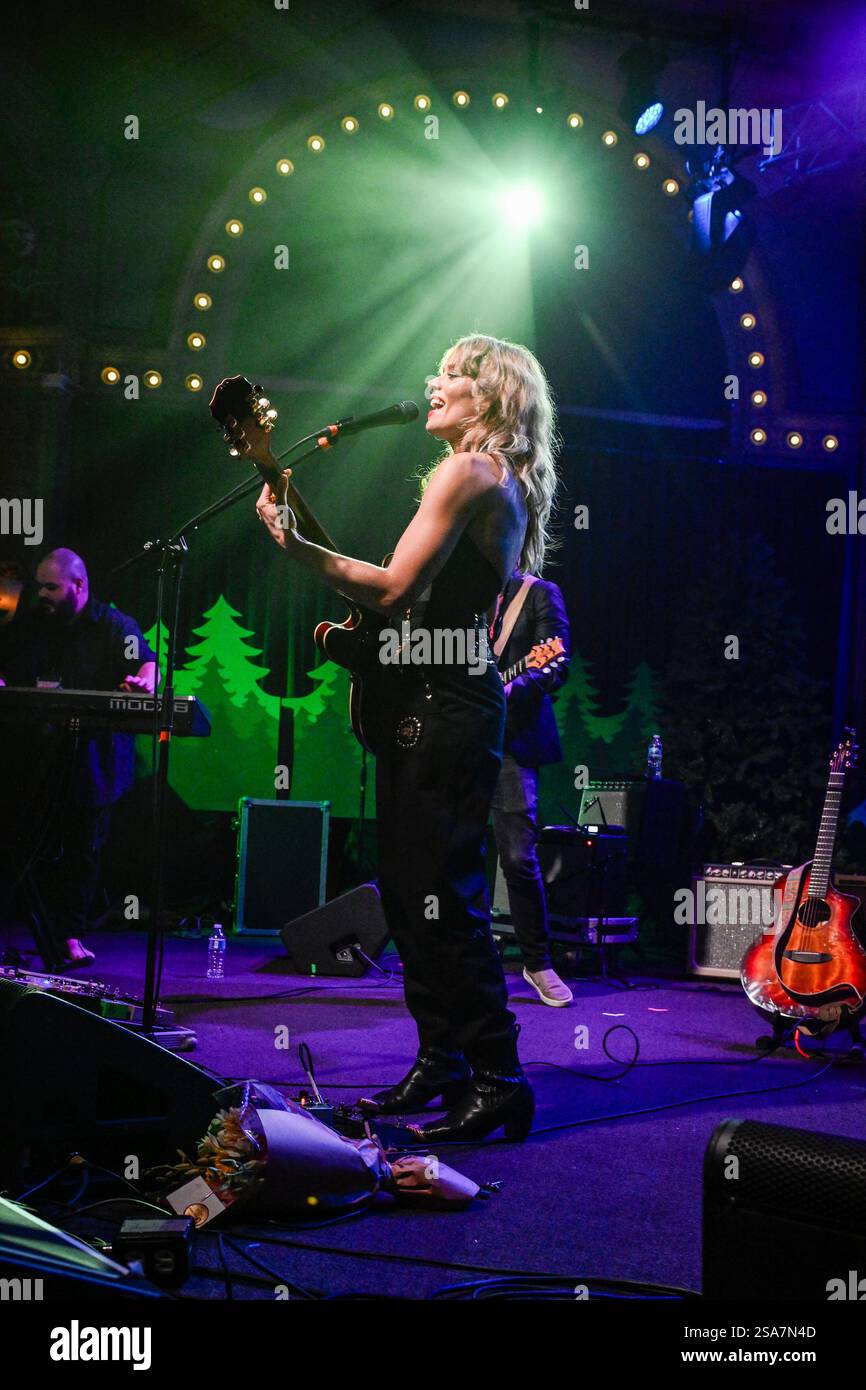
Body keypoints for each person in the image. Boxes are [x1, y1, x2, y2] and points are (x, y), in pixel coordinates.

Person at [249, 335, 559, 1143]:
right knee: (411, 893)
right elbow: (403, 616)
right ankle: (443, 1061)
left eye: (452, 374)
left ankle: (498, 1076)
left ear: (490, 398)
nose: (434, 381)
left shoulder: (471, 472)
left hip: (450, 705)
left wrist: (295, 547)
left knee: (445, 901)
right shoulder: (477, 475)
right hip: (429, 698)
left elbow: (395, 589)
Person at [0, 549, 158, 968]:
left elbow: (146, 662)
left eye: (51, 586)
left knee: (81, 850)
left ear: (79, 586)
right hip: (34, 755)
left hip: (93, 758)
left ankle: (69, 937)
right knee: (21, 842)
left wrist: (143, 682)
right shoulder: (31, 624)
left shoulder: (114, 625)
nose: (42, 593)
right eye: (39, 586)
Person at [490, 568, 572, 1005]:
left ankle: (538, 962)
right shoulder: (467, 593)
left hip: (513, 745)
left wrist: (512, 687)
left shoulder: (537, 593)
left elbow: (555, 661)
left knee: (519, 857)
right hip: (460, 740)